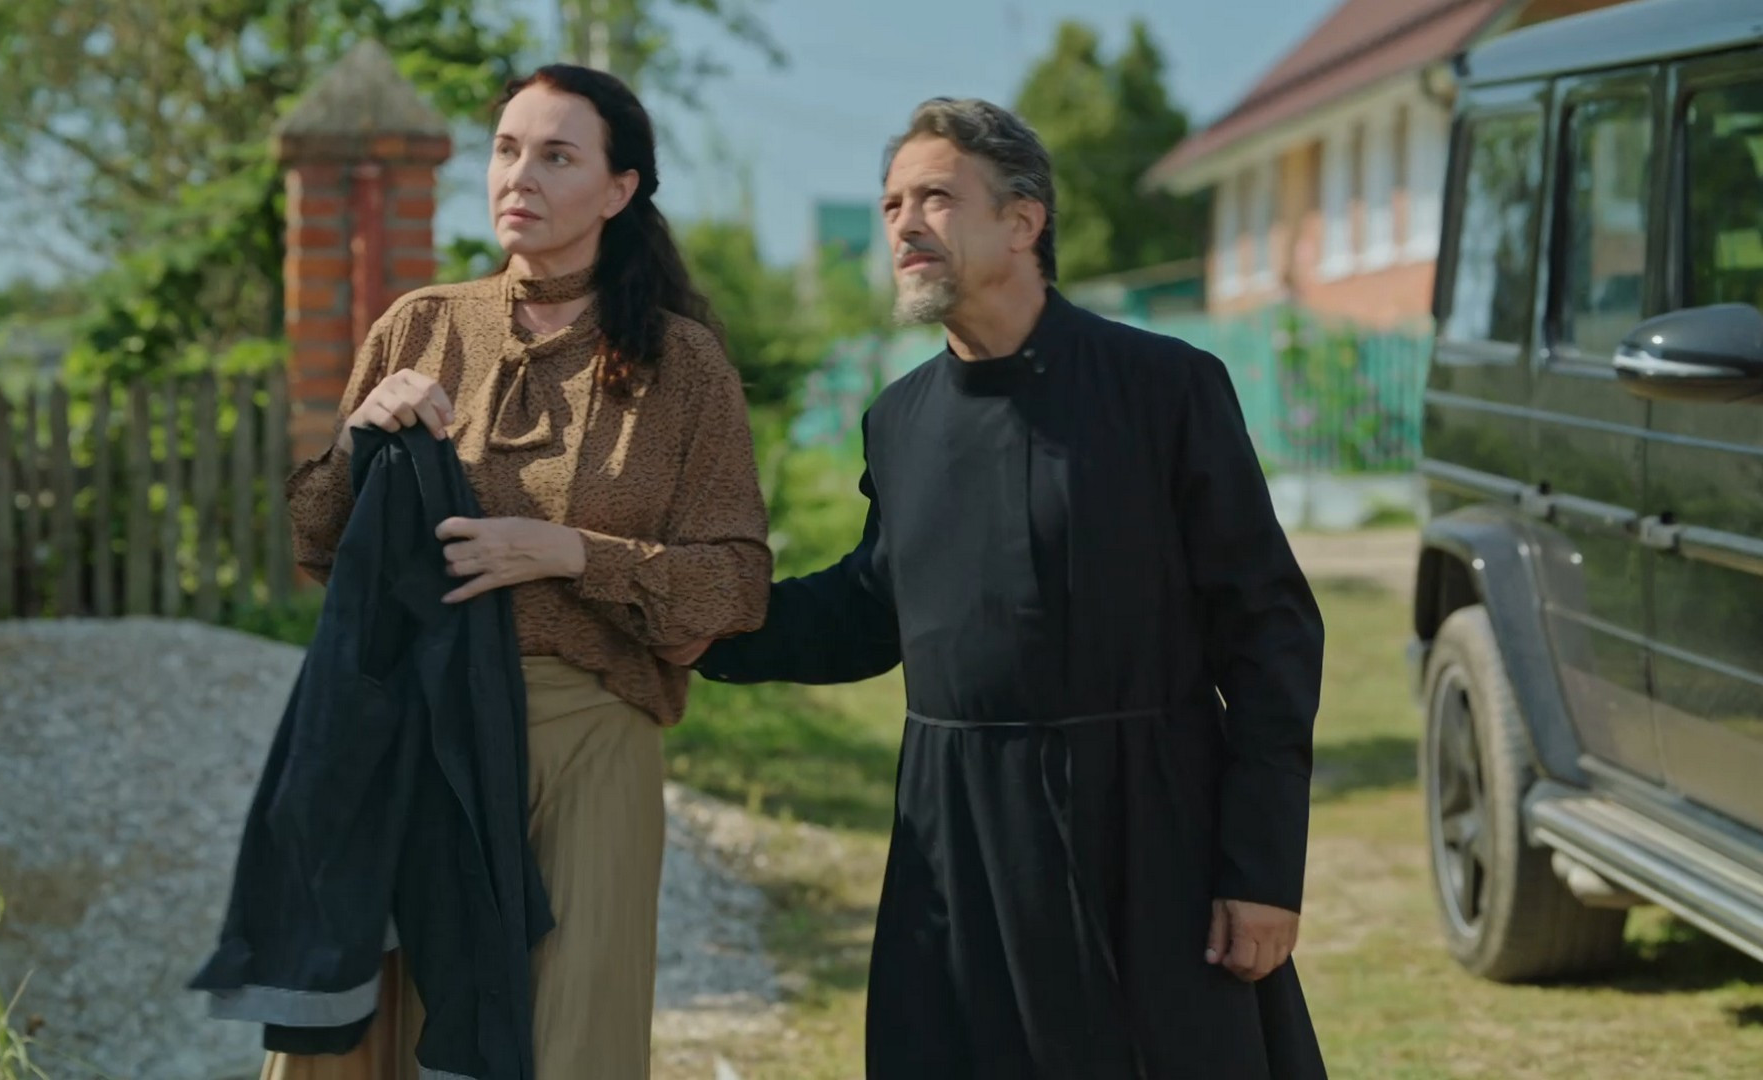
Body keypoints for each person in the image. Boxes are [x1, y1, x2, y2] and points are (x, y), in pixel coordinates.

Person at [676, 98, 1328, 1078]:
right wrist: (699, 623)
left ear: (1023, 222)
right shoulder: (899, 421)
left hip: (1147, 835)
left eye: (936, 198)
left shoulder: (1164, 388)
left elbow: (1269, 631)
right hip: (958, 840)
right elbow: (871, 608)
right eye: (892, 204)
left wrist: (1262, 869)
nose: (904, 224)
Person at [271, 64, 771, 1080]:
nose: (520, 175)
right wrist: (361, 440)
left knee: (571, 1038)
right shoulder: (417, 326)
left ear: (619, 189)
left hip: (588, 736)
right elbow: (317, 546)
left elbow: (735, 584)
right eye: (506, 149)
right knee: (378, 1027)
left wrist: (572, 553)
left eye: (556, 156)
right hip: (415, 728)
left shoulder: (685, 366)